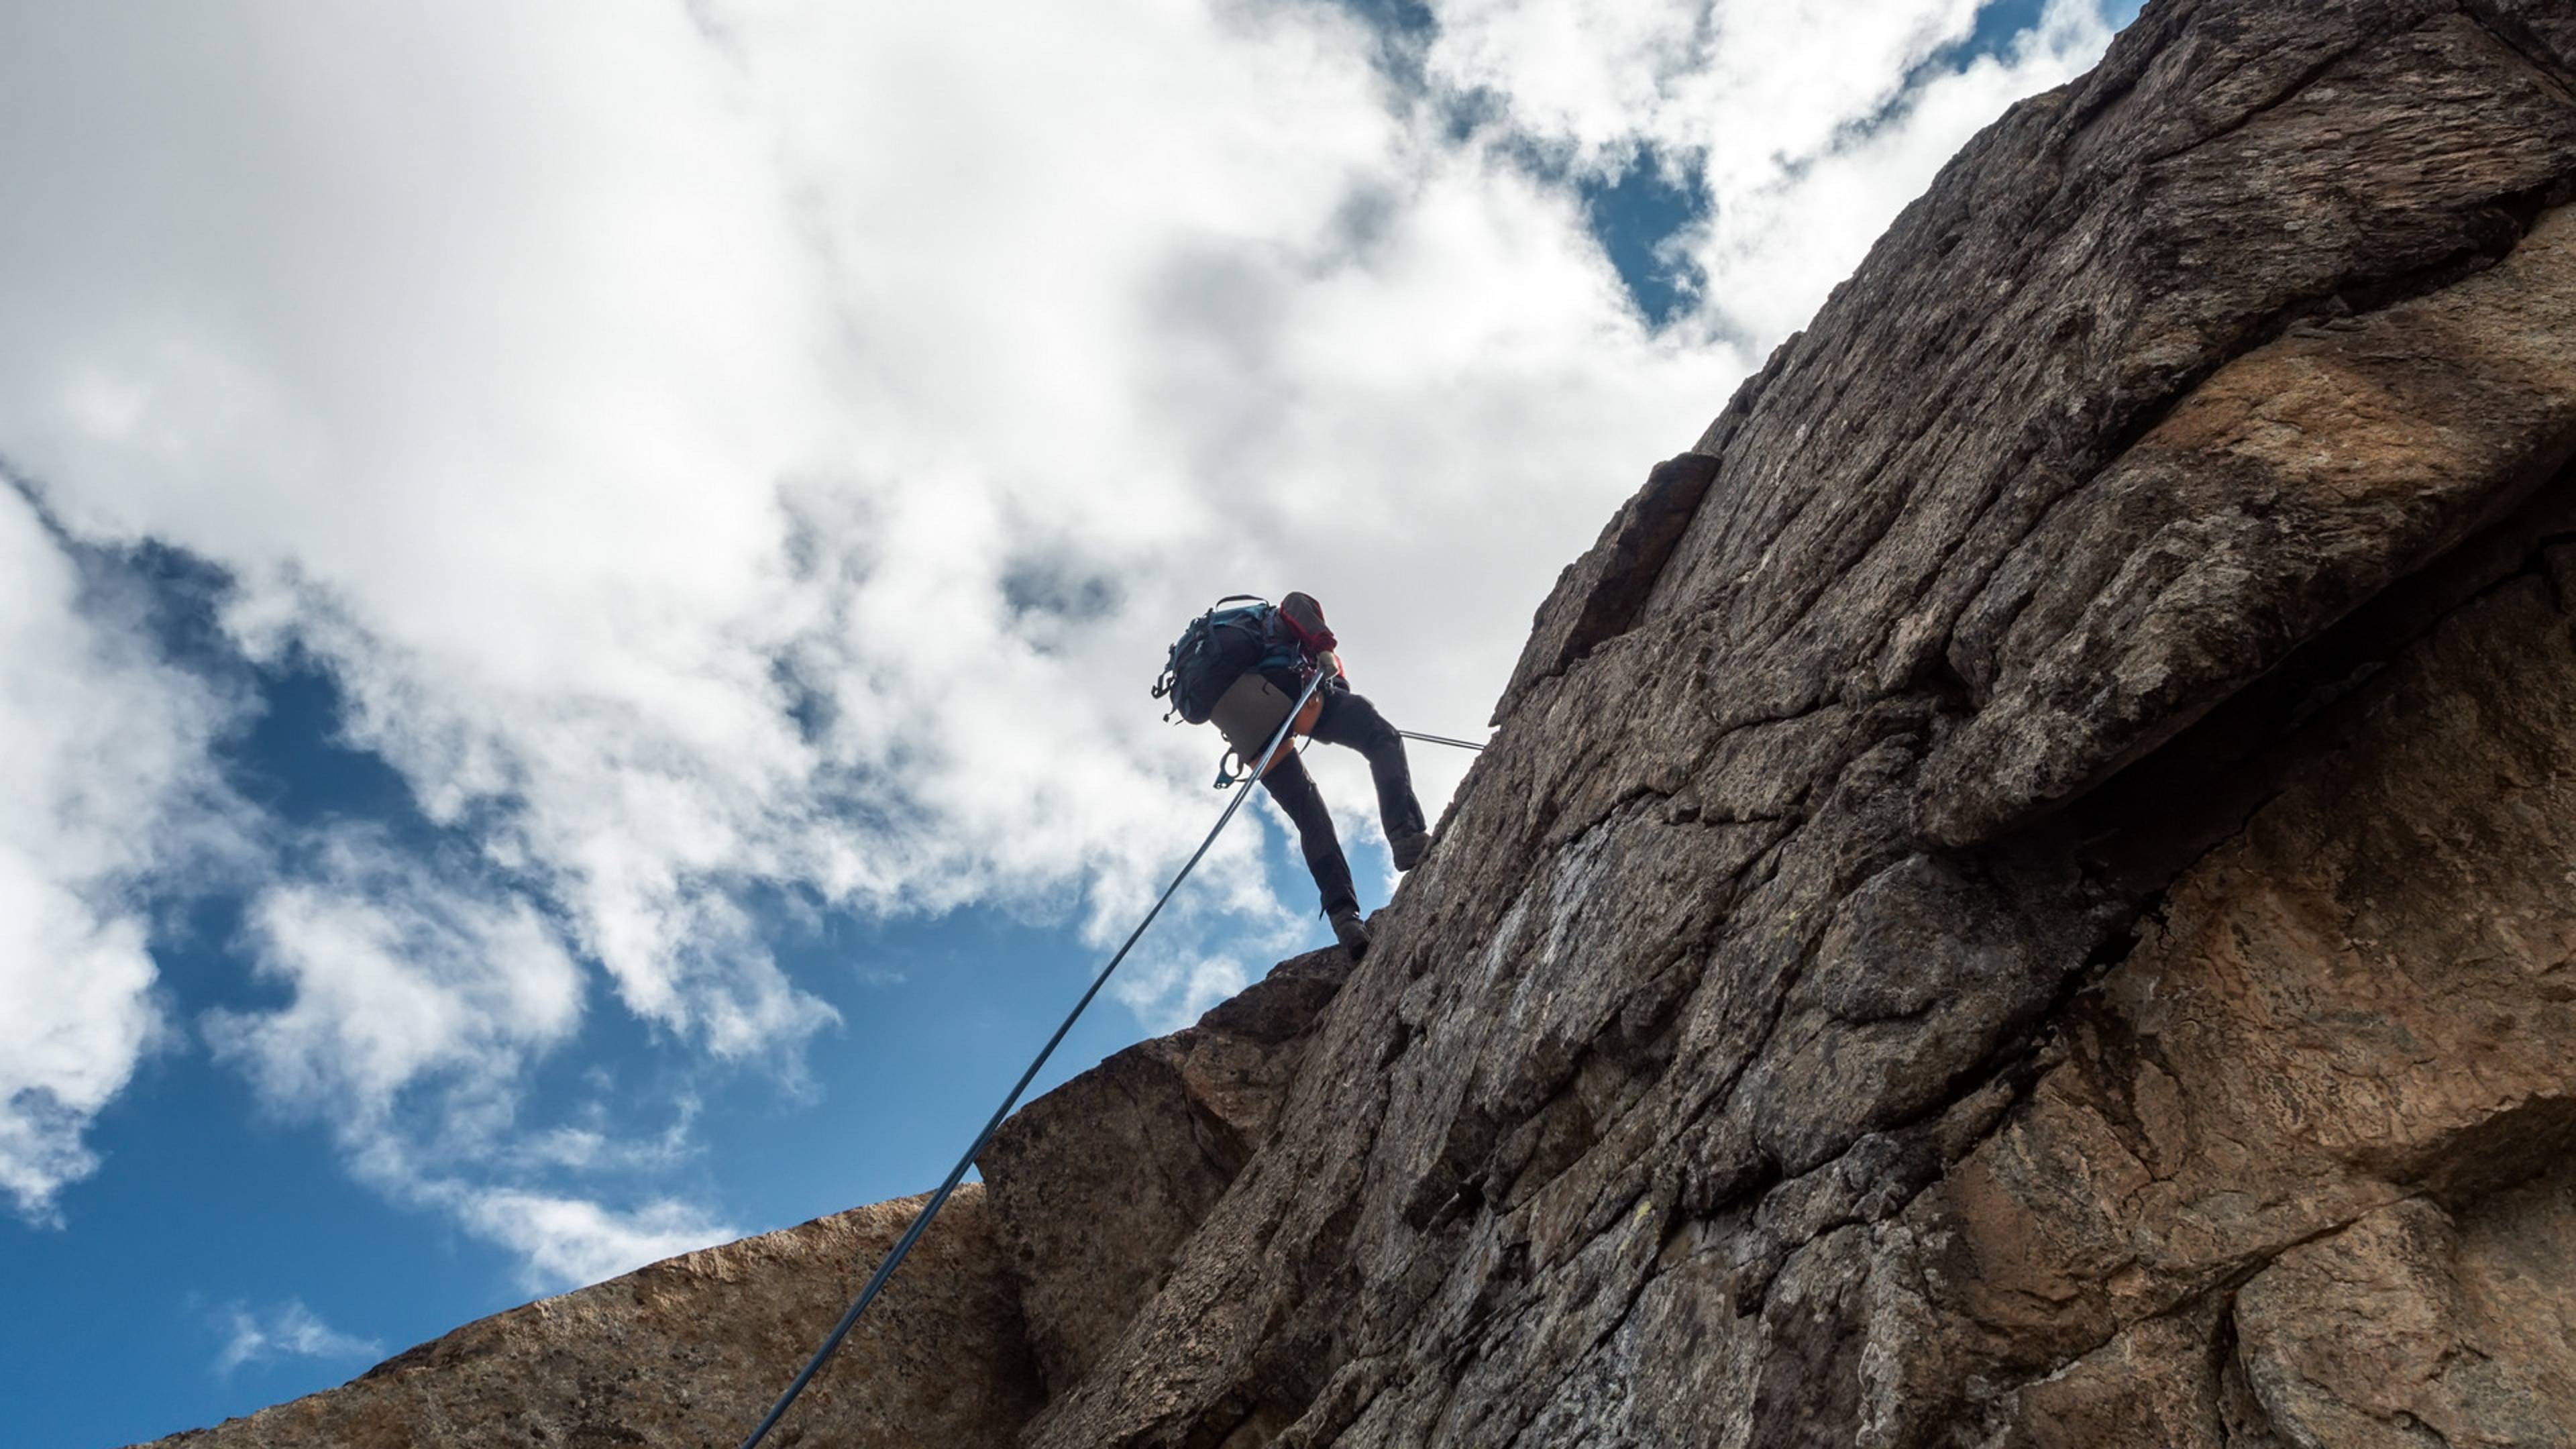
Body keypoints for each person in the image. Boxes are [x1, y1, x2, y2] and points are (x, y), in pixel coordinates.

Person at [1175, 592, 1429, 959]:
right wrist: (1325, 650)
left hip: (1245, 729)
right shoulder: (1283, 612)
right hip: (1284, 689)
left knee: (1310, 816)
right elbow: (1296, 604)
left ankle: (1345, 917)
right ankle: (1406, 835)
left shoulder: (1234, 638)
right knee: (1380, 736)